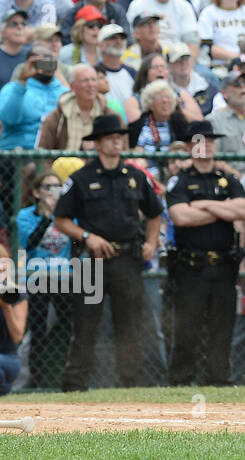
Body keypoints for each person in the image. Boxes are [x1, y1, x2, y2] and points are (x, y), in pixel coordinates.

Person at [53, 113, 164, 390]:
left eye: (119, 137)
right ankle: (74, 388)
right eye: (111, 138)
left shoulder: (136, 176)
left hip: (126, 258)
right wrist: (87, 236)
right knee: (84, 327)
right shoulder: (80, 178)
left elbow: (155, 213)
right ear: (99, 143)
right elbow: (61, 220)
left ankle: (130, 387)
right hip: (89, 262)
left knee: (129, 326)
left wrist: (151, 242)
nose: (117, 142)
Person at [164, 119, 245, 386]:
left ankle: (218, 379)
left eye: (212, 140)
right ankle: (181, 381)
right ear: (191, 146)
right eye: (204, 140)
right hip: (191, 265)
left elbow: (243, 211)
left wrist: (202, 205)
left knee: (222, 326)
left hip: (224, 264)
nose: (209, 145)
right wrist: (221, 209)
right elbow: (180, 217)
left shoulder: (228, 178)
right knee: (186, 326)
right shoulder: (180, 180)